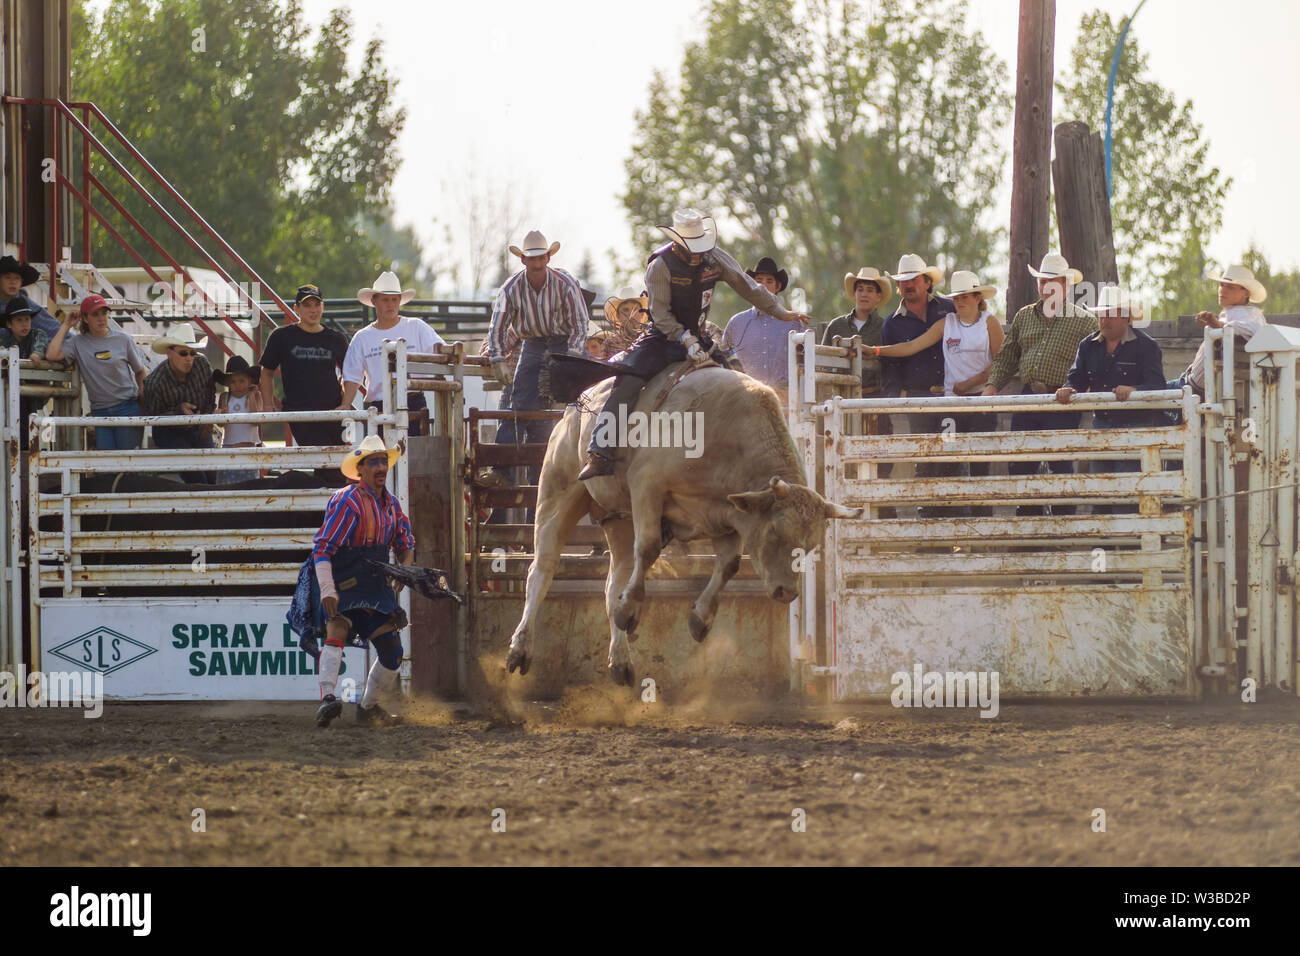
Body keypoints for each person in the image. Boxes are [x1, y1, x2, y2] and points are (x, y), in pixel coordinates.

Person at [579, 208, 810, 479]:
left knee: (737, 385)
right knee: (628, 379)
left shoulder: (714, 257)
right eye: (693, 248)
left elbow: (747, 285)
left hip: (699, 335)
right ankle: (600, 450)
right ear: (678, 243)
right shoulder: (660, 266)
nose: (698, 254)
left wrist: (780, 312)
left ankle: (742, 454)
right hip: (662, 337)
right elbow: (661, 314)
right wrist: (684, 338)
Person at [288, 434, 415, 728]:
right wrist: (328, 589)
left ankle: (368, 707)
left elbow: (405, 541)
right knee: (337, 627)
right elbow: (323, 547)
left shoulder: (392, 506)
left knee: (393, 650)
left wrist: (405, 567)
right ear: (361, 470)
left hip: (372, 582)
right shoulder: (347, 501)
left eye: (384, 461)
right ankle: (328, 699)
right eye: (374, 462)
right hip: (343, 576)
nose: (381, 466)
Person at [872, 271, 1004, 516]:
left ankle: (981, 528)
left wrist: (972, 383)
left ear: (977, 297)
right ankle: (948, 526)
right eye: (957, 297)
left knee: (979, 465)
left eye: (965, 296)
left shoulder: (989, 322)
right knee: (947, 462)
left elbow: (1001, 361)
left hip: (980, 404)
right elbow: (912, 346)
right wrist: (877, 350)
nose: (961, 302)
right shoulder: (947, 323)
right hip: (951, 405)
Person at [982, 253, 1098, 516]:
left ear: (1065, 285)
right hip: (1028, 397)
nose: (1046, 287)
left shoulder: (1085, 322)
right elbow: (1007, 357)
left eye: (1052, 281)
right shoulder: (1025, 316)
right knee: (1021, 461)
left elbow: (1094, 364)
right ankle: (1029, 520)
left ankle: (1061, 524)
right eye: (1042, 281)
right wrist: (992, 386)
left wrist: (1082, 389)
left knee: (1060, 464)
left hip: (1063, 400)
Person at [481, 230, 589, 489]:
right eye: (533, 259)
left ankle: (578, 462)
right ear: (524, 261)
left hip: (564, 344)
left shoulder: (565, 283)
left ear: (548, 258)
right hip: (534, 344)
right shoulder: (511, 288)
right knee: (518, 402)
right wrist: (497, 359)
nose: (538, 264)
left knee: (573, 402)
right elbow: (497, 326)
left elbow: (580, 322)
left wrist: (572, 357)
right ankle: (502, 470)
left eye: (541, 258)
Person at [1055, 286, 1166, 515]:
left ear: (1125, 317)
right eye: (1102, 315)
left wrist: (1134, 390)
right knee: (1102, 489)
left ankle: (1125, 542)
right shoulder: (1088, 345)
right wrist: (1067, 388)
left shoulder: (1146, 346)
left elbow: (1157, 385)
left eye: (1110, 315)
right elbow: (1076, 378)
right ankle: (1107, 543)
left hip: (1134, 428)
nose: (1104, 321)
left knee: (1126, 488)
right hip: (1102, 426)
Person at [881, 254, 957, 500]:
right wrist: (894, 399)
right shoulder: (891, 325)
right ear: (898, 286)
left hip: (952, 396)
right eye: (903, 281)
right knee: (923, 458)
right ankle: (928, 517)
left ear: (927, 282)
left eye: (913, 279)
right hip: (918, 398)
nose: (908, 285)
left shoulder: (950, 308)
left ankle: (954, 520)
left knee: (952, 456)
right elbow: (889, 366)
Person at [340, 271, 445, 437]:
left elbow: (441, 350)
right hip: (379, 406)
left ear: (400, 302)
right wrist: (345, 404)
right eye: (385, 300)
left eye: (394, 299)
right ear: (374, 302)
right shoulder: (362, 338)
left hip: (413, 402)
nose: (391, 304)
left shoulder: (416, 327)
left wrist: (456, 353)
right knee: (382, 458)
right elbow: (352, 377)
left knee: (413, 458)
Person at [45, 294, 147, 451]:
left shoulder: (123, 340)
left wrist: (142, 398)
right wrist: (66, 325)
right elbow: (51, 355)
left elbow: (140, 371)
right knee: (105, 466)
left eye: (104, 313)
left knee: (127, 464)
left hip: (127, 407)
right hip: (100, 411)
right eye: (95, 314)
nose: (101, 318)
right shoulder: (77, 343)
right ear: (85, 318)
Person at [259, 284, 349, 446]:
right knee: (319, 453)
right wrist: (267, 404)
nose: (313, 310)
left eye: (316, 305)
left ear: (323, 307)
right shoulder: (281, 337)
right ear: (296, 308)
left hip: (333, 413)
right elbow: (266, 371)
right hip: (300, 413)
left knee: (336, 466)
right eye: (307, 305)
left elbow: (350, 373)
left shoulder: (336, 338)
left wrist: (345, 402)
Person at [1169, 265, 1268, 398]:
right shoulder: (1235, 312)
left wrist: (1218, 325)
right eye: (1222, 285)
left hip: (1193, 391)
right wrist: (1218, 325)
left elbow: (1257, 330)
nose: (1223, 290)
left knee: (1145, 398)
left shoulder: (1249, 314)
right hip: (1193, 388)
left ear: (1246, 293)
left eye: (1230, 287)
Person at [140, 322, 217, 483]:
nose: (189, 358)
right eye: (183, 353)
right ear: (169, 353)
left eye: (192, 353)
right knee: (198, 479)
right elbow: (151, 416)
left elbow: (210, 397)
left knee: (213, 476)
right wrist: (177, 412)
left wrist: (207, 420)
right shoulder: (155, 382)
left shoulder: (202, 364)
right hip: (170, 434)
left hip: (199, 427)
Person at [719, 256, 802, 389]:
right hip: (746, 398)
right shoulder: (736, 323)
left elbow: (803, 363)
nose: (763, 286)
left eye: (769, 281)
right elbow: (723, 361)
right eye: (759, 281)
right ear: (751, 285)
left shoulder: (793, 323)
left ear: (777, 286)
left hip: (785, 399)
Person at [824, 267, 893, 395]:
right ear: (854, 293)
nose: (864, 294)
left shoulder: (886, 327)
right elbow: (822, 363)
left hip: (875, 399)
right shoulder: (836, 326)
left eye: (870, 290)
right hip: (839, 398)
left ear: (879, 296)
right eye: (860, 289)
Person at [215, 355, 263, 483]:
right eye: (233, 382)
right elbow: (220, 424)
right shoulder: (225, 397)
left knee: (250, 487)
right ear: (228, 384)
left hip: (248, 448)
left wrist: (251, 395)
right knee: (227, 486)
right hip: (228, 448)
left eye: (242, 381)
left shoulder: (256, 396)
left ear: (249, 381)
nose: (238, 385)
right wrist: (221, 414)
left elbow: (256, 421)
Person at [0, 256, 59, 339]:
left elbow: (55, 330)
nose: (12, 282)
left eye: (17, 278)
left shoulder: (27, 306)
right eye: (8, 277)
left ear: (21, 282)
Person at [601, 286, 649, 358]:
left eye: (635, 309)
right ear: (618, 316)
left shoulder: (649, 336)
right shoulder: (611, 342)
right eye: (626, 310)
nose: (631, 313)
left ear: (642, 314)